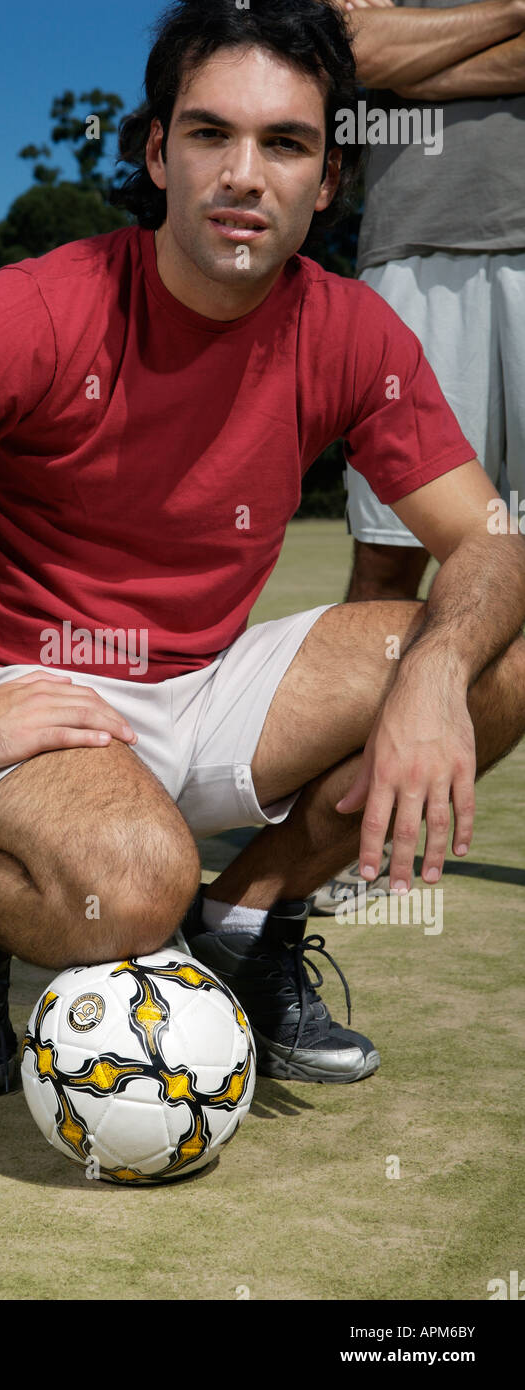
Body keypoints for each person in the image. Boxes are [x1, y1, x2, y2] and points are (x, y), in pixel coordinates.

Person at [0, 0, 525, 1105]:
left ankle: (248, 921)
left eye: (285, 143)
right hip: (21, 690)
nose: (243, 175)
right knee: (134, 881)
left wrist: (435, 673)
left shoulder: (351, 328)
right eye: (209, 135)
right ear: (158, 153)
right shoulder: (38, 308)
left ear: (330, 177)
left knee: (496, 656)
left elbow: (489, 539)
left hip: (203, 684)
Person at [312, 0, 525, 913]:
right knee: (387, 560)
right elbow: (356, 52)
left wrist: (414, 63)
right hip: (410, 253)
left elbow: (395, 57)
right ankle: (345, 841)